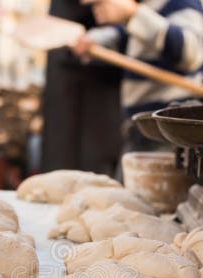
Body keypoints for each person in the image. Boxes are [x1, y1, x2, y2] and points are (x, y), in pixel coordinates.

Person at [74, 0, 203, 152]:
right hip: (141, 128)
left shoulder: (183, 2)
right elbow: (131, 37)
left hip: (169, 130)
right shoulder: (151, 5)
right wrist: (94, 40)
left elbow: (191, 52)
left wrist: (134, 13)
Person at [40, 0, 125, 177]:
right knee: (59, 168)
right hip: (68, 67)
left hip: (104, 84)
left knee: (96, 173)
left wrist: (106, 35)